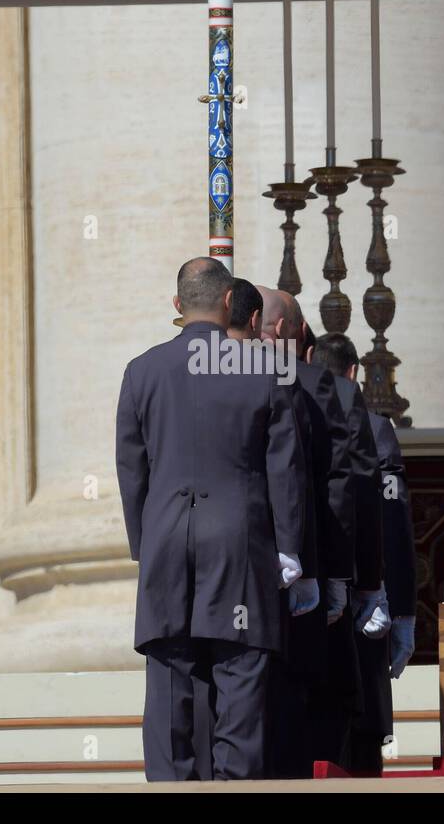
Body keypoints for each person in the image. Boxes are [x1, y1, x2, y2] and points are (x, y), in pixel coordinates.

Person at [116, 257, 306, 780]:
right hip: (240, 543)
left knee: (169, 678)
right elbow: (284, 470)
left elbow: (132, 470)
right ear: (230, 302)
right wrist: (290, 550)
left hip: (166, 542)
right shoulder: (265, 370)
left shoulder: (142, 371)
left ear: (177, 306)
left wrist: (145, 542)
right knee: (240, 674)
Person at [258, 287, 360, 774]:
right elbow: (336, 480)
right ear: (289, 330)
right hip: (303, 570)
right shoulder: (317, 383)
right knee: (299, 702)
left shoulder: (206, 377)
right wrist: (339, 573)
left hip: (232, 576)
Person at [313, 332, 418, 773]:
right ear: (354, 372)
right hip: (360, 607)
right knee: (359, 748)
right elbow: (392, 522)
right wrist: (403, 612)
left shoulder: (292, 410)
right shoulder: (376, 428)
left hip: (309, 607)